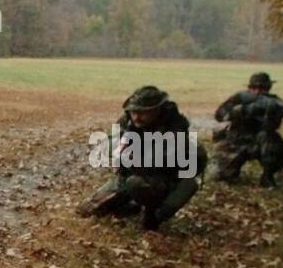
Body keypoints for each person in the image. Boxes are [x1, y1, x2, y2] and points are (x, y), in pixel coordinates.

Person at [77, 85, 206, 231]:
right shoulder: (129, 121)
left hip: (166, 178)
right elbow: (109, 142)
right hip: (133, 173)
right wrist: (117, 150)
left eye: (143, 113)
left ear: (158, 110)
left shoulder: (175, 129)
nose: (137, 117)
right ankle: (132, 205)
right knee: (87, 209)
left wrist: (129, 158)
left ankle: (152, 212)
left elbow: (153, 163)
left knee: (138, 186)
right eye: (134, 112)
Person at [212, 72, 283, 188]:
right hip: (235, 142)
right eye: (255, 88)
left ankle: (268, 176)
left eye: (263, 88)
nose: (259, 91)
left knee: (273, 143)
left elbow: (271, 127)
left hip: (257, 142)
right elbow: (219, 115)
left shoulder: (273, 101)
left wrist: (279, 113)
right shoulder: (240, 97)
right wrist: (244, 110)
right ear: (250, 88)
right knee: (222, 176)